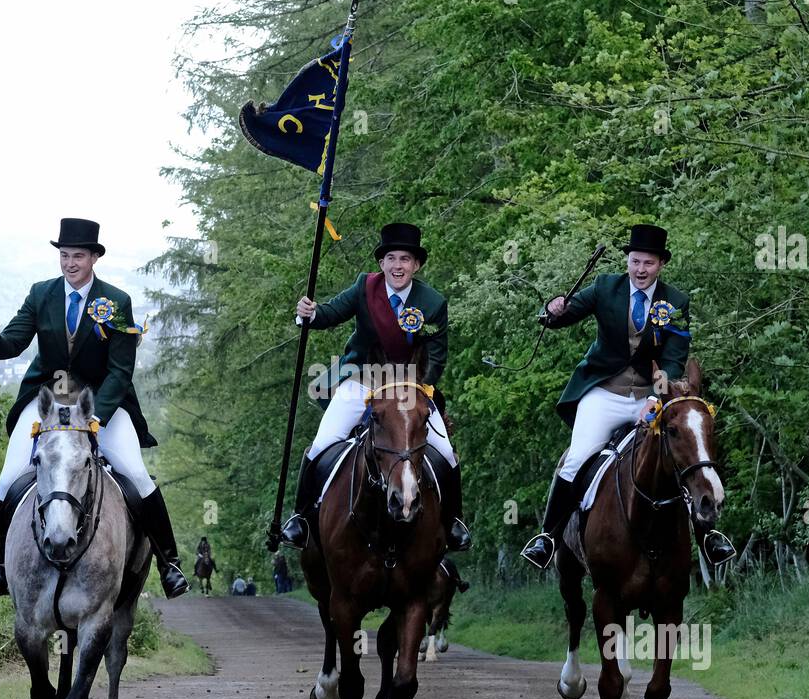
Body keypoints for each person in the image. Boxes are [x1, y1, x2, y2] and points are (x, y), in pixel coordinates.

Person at [0, 218, 188, 599]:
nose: (69, 263)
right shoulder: (41, 294)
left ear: (93, 258)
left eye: (77, 256)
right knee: (8, 478)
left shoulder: (116, 301)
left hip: (102, 401)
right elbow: (13, 341)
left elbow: (120, 371)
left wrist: (96, 418)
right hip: (48, 400)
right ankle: (1, 565)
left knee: (137, 474)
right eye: (64, 255)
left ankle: (168, 562)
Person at [520, 224, 735, 569]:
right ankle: (547, 537)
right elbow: (564, 315)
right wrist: (554, 308)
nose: (640, 270)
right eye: (635, 262)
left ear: (660, 264)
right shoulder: (606, 288)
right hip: (604, 393)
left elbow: (674, 358)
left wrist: (656, 399)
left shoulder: (676, 302)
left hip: (649, 397)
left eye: (648, 263)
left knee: (680, 455)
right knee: (577, 458)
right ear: (628, 261)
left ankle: (707, 536)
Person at [278, 222, 470, 554]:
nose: (398, 266)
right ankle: (301, 518)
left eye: (406, 259)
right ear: (381, 263)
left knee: (448, 455)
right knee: (323, 442)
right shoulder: (364, 288)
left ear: (417, 265)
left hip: (410, 385)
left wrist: (416, 386)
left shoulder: (434, 302)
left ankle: (454, 523)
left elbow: (436, 358)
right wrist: (307, 314)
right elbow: (330, 313)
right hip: (363, 378)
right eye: (392, 258)